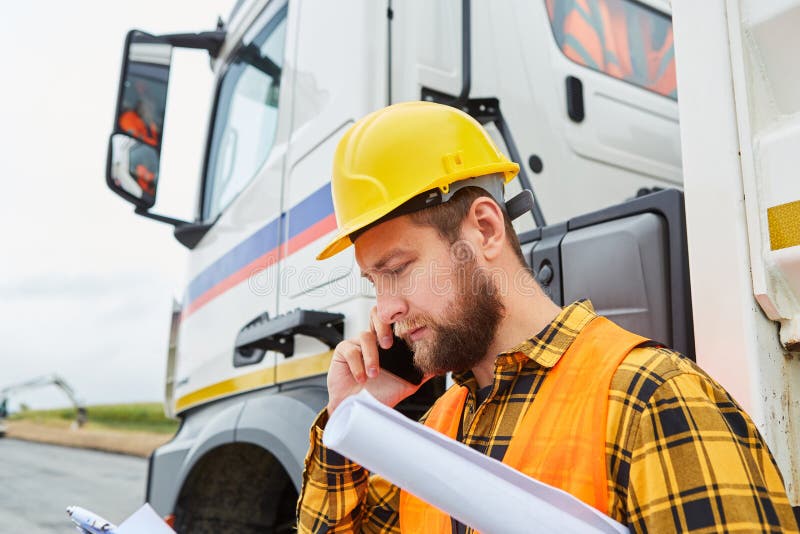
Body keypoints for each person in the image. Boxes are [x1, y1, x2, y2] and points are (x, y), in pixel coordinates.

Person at [296, 101, 798, 532]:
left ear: (487, 230)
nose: (385, 311)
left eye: (399, 269)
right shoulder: (435, 433)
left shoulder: (653, 400)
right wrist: (351, 422)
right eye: (374, 283)